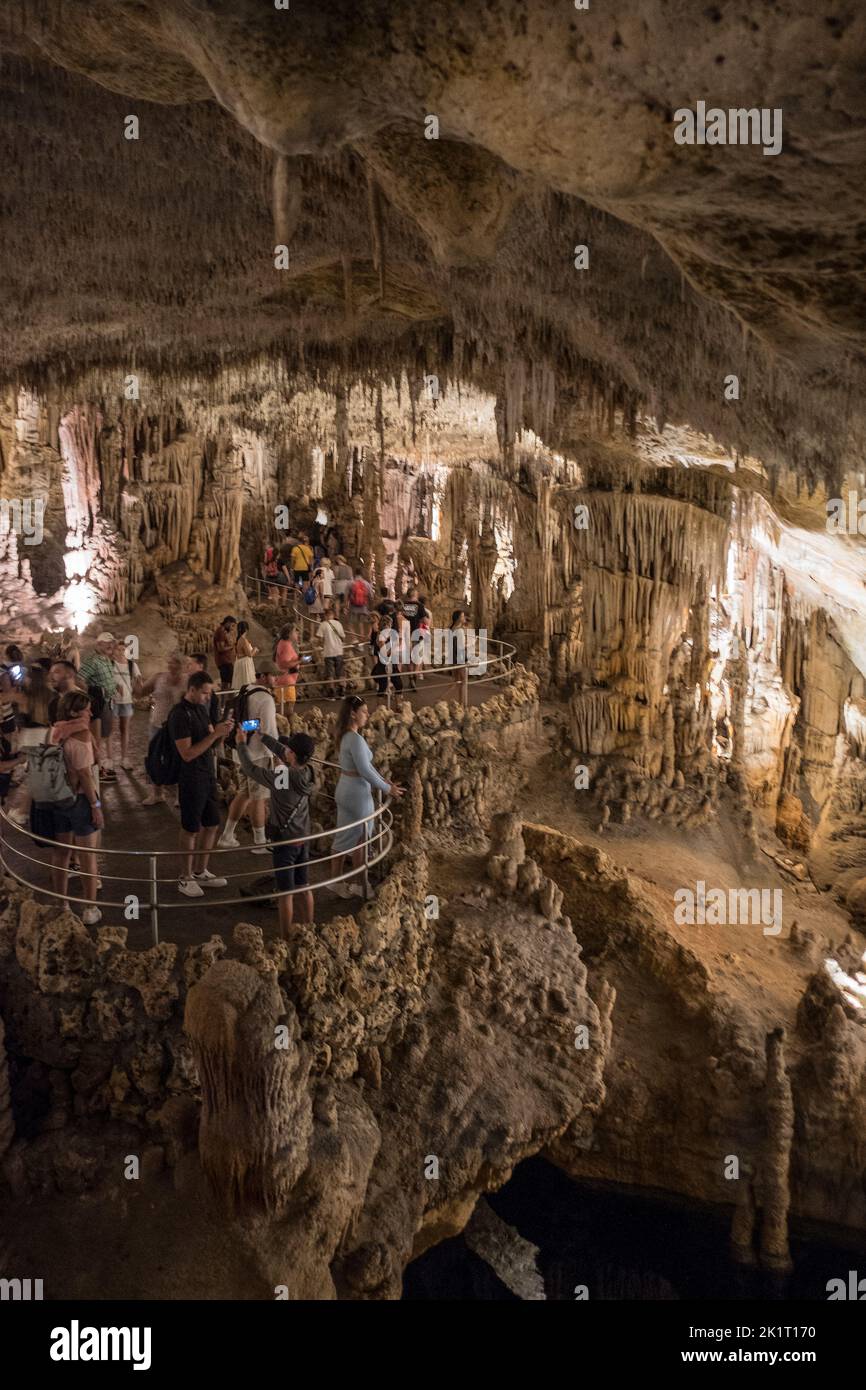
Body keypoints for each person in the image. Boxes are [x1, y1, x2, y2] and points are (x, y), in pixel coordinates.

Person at [236, 727, 315, 937]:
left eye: (288, 750)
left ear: (292, 754)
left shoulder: (282, 777)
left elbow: (250, 769)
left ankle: (285, 936)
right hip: (304, 838)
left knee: (286, 894)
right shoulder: (308, 772)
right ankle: (310, 930)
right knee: (304, 886)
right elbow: (285, 751)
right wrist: (264, 737)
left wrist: (241, 744)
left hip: (285, 842)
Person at [33, 689, 104, 924]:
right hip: (79, 800)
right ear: (75, 711)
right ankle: (90, 908)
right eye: (86, 709)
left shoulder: (53, 731)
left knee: (61, 853)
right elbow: (85, 774)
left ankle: (61, 903)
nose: (91, 712)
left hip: (56, 798)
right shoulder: (82, 734)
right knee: (87, 856)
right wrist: (95, 805)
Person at [330, 695, 403, 899]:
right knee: (362, 839)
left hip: (345, 788)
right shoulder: (355, 739)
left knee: (343, 838)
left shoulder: (346, 736)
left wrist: (384, 782)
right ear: (353, 714)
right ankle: (361, 885)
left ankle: (336, 881)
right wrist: (387, 789)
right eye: (364, 711)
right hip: (357, 794)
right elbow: (365, 770)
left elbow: (366, 767)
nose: (367, 715)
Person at [167, 671, 233, 898]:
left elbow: (209, 744)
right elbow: (187, 753)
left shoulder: (201, 711)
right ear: (192, 690)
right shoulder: (179, 715)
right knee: (190, 828)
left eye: (210, 693)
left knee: (212, 823)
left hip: (207, 774)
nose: (208, 697)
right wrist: (214, 737)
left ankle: (200, 870)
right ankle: (184, 878)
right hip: (191, 777)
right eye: (204, 693)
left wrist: (222, 733)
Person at [218, 657, 280, 853]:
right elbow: (269, 730)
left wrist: (250, 728)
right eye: (273, 676)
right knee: (259, 798)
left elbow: (246, 723)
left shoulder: (244, 690)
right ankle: (260, 842)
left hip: (242, 752)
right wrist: (278, 756)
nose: (276, 680)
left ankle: (227, 835)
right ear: (262, 676)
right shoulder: (266, 699)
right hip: (259, 755)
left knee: (244, 793)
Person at [138, 652, 186, 805]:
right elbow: (140, 692)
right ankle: (157, 793)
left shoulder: (187, 680)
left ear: (182, 665)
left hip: (178, 726)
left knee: (179, 759)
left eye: (176, 663)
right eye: (170, 662)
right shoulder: (158, 677)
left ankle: (181, 795)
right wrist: (133, 680)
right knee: (155, 758)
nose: (172, 666)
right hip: (157, 724)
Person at [79, 633, 121, 780]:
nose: (110, 645)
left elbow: (106, 679)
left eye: (112, 642)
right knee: (96, 738)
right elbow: (79, 679)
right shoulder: (92, 660)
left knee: (104, 735)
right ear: (98, 644)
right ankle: (95, 770)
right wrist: (90, 696)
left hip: (107, 701)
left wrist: (114, 688)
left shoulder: (106, 660)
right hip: (98, 702)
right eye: (107, 643)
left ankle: (98, 766)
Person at [111, 639, 141, 771]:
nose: (121, 652)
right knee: (110, 730)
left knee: (125, 729)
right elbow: (106, 680)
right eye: (119, 649)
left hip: (127, 701)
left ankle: (124, 758)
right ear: (114, 651)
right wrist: (115, 686)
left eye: (123, 650)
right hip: (113, 701)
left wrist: (138, 685)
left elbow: (138, 679)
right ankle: (109, 759)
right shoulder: (110, 664)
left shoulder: (131, 665)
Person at [371, 614, 403, 698]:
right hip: (383, 666)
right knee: (382, 687)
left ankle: (398, 706)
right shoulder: (380, 637)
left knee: (399, 685)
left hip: (392, 664)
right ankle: (380, 709)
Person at [316, 604, 345, 698]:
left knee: (330, 673)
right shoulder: (339, 624)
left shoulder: (323, 624)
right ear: (333, 614)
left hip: (328, 652)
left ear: (325, 615)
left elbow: (319, 638)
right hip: (339, 651)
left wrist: (320, 644)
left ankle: (331, 692)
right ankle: (341, 690)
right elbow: (343, 637)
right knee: (340, 672)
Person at [187, 652, 221, 724]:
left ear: (200, 666)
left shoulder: (204, 684)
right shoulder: (194, 681)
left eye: (190, 664)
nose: (187, 666)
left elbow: (203, 712)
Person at [274, 623, 300, 713]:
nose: (297, 633)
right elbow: (285, 663)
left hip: (284, 679)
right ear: (289, 634)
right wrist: (300, 661)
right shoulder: (286, 645)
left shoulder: (283, 643)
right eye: (295, 632)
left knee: (283, 707)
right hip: (287, 680)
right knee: (288, 709)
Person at [212, 616, 238, 691]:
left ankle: (226, 700)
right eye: (232, 625)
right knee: (228, 684)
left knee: (227, 683)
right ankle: (227, 701)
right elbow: (221, 648)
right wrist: (232, 646)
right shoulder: (221, 632)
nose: (232, 628)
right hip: (224, 661)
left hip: (227, 661)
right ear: (228, 623)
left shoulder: (223, 631)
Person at [232, 621, 258, 688]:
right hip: (245, 664)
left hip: (240, 662)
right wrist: (255, 649)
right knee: (246, 683)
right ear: (246, 629)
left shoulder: (238, 640)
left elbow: (239, 654)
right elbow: (249, 654)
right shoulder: (243, 640)